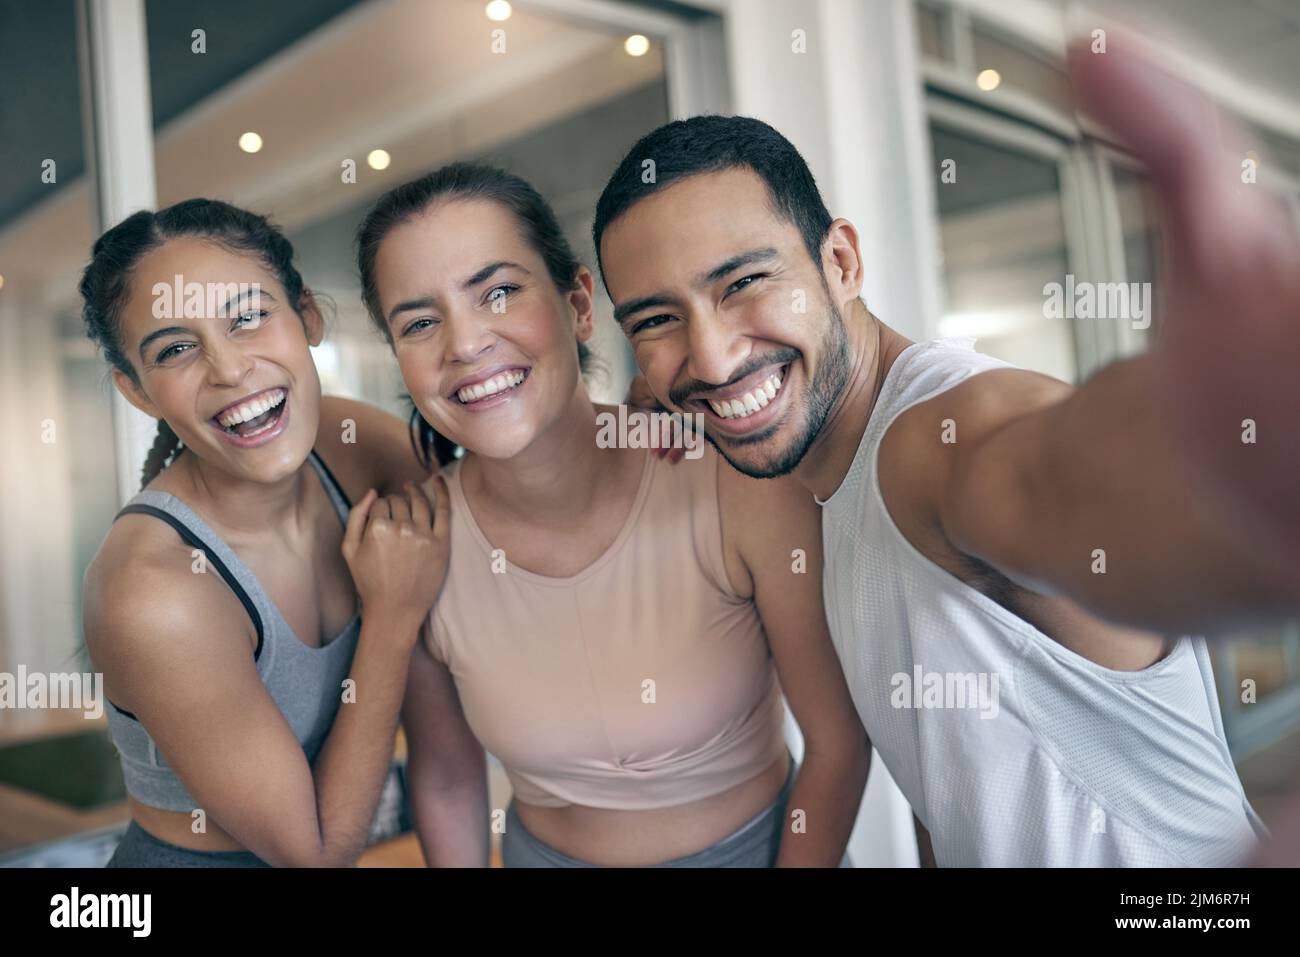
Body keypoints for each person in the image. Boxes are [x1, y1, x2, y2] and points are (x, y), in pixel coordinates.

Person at [591, 39, 1295, 866]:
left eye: (743, 282)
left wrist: (1236, 478)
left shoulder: (936, 437)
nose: (709, 357)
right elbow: (954, 789)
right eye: (655, 319)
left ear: (842, 261)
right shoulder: (821, 473)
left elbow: (1059, 480)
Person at [356, 163, 868, 867]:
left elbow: (837, 739)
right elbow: (445, 779)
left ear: (578, 304)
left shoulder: (725, 476)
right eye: (418, 322)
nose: (465, 343)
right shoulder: (419, 545)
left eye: (499, 292)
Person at [80, 199, 444, 867]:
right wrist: (392, 617)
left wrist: (630, 437)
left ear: (306, 314)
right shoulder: (152, 588)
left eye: (247, 317)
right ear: (136, 390)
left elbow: (491, 511)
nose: (228, 368)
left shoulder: (351, 442)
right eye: (177, 348)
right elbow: (315, 854)